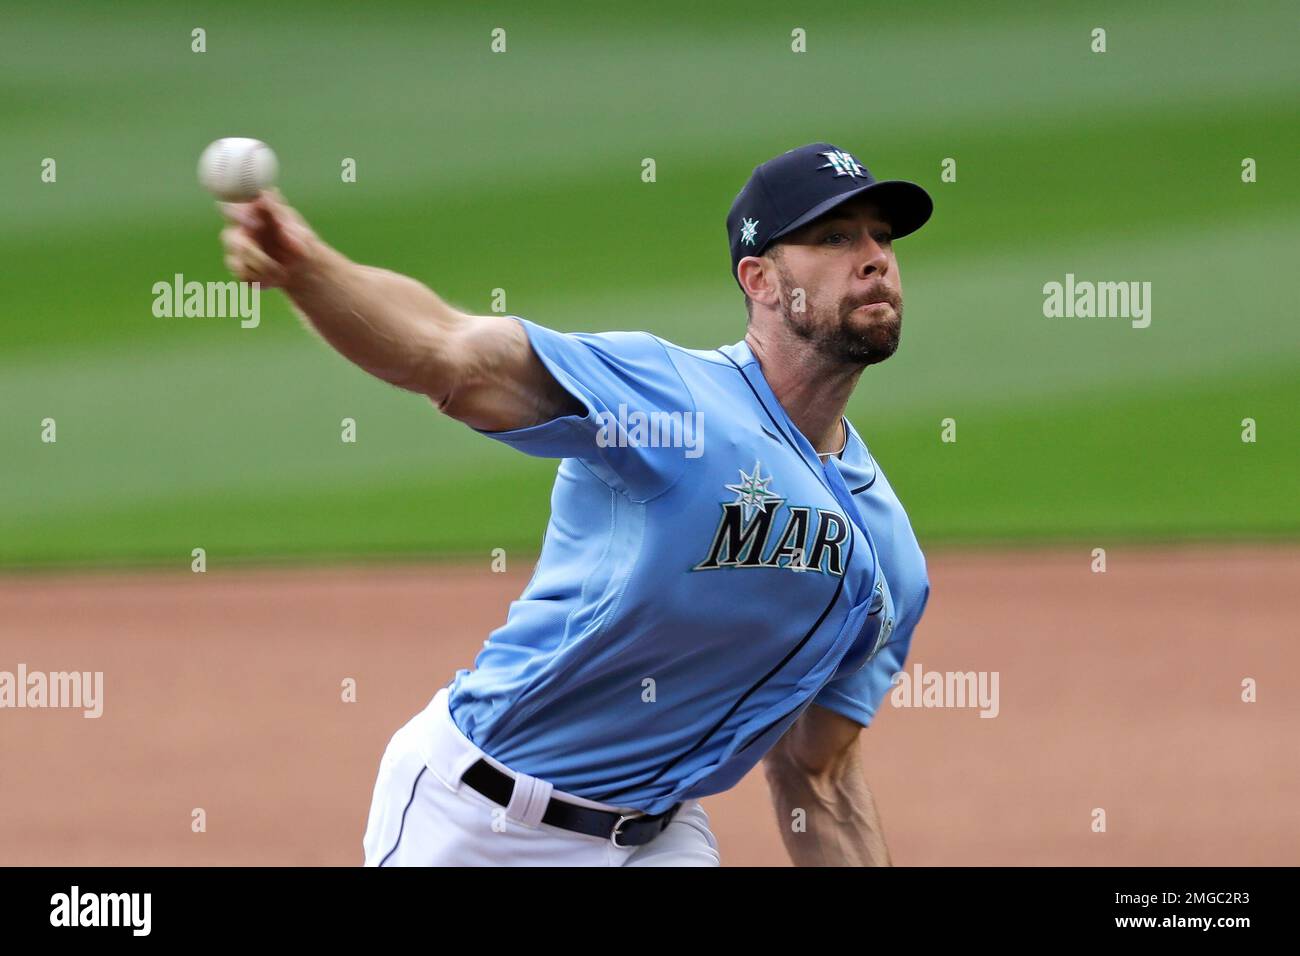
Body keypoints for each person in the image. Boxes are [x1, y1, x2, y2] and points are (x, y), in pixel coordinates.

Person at [217, 142, 933, 866]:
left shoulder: (891, 558)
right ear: (761, 280)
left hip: (660, 838)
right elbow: (449, 352)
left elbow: (821, 774)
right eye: (835, 238)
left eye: (882, 236)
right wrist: (310, 270)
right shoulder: (669, 401)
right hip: (481, 819)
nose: (873, 257)